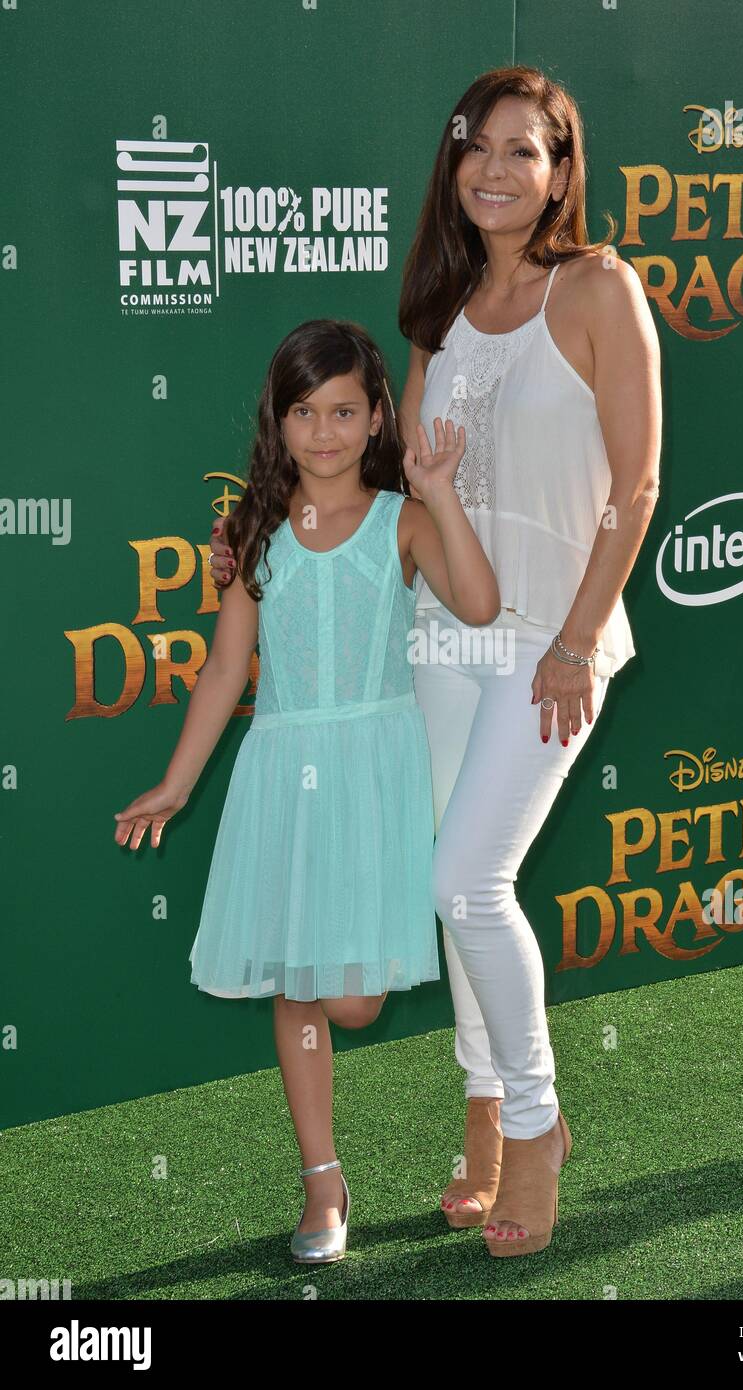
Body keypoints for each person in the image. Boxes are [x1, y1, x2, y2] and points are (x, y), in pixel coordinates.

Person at [211, 65, 662, 1259]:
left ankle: (535, 1123)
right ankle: (480, 1123)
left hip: (550, 648)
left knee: (469, 880)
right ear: (451, 164)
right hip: (442, 639)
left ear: (562, 168)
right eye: (479, 148)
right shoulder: (442, 315)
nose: (497, 170)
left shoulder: (600, 288)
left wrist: (574, 640)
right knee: (447, 887)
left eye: (528, 150)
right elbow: (396, 494)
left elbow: (636, 485)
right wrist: (267, 532)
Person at [114, 318, 499, 1266]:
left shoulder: (400, 521)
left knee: (356, 1000)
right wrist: (174, 782)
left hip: (374, 772)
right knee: (296, 980)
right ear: (276, 421)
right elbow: (221, 671)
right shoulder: (249, 533)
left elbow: (481, 605)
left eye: (343, 410)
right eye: (302, 411)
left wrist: (442, 494)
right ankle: (321, 1183)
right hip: (283, 773)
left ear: (376, 419)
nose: (322, 431)